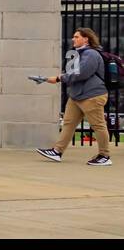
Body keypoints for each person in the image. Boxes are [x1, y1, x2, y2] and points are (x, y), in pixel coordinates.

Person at [38, 27, 112, 165]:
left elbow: (81, 73)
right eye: (73, 36)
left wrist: (60, 78)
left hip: (92, 96)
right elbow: (72, 73)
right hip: (77, 96)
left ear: (86, 39)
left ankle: (104, 156)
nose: (73, 39)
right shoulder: (78, 54)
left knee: (98, 126)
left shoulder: (91, 54)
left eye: (77, 37)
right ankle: (57, 151)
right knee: (68, 124)